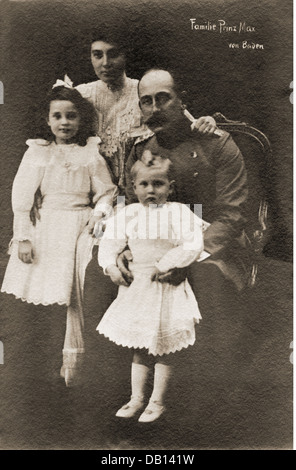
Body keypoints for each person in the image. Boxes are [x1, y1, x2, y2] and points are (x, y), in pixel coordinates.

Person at [1, 85, 117, 385]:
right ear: (48, 120)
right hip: (48, 227)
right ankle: (35, 366)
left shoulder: (90, 153)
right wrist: (23, 237)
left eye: (71, 116)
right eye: (58, 116)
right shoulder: (38, 152)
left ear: (80, 120)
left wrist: (99, 213)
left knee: (76, 288)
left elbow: (106, 191)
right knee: (46, 293)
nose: (65, 122)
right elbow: (22, 198)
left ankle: (75, 363)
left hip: (80, 226)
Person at [97, 158, 204, 422]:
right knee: (139, 345)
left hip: (167, 285)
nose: (151, 190)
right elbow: (109, 243)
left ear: (170, 187)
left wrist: (171, 263)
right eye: (144, 184)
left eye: (158, 184)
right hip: (139, 287)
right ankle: (136, 398)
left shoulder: (178, 212)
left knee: (163, 347)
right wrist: (110, 266)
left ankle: (157, 401)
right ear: (134, 187)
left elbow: (193, 243)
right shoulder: (129, 213)